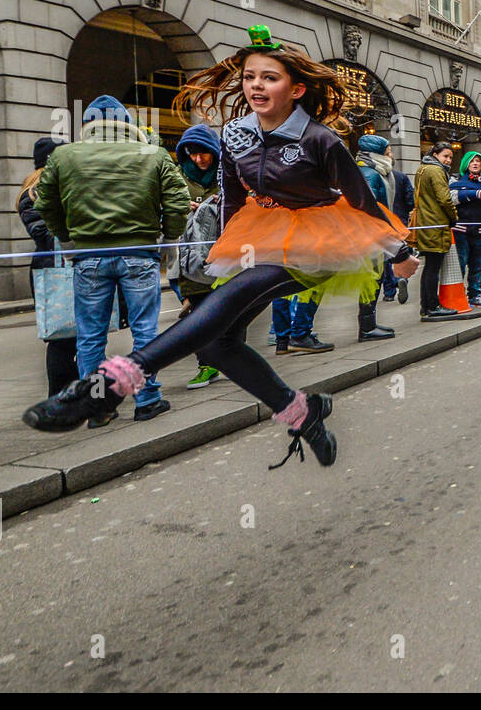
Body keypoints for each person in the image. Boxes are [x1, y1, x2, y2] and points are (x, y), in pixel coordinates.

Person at [23, 26, 418, 470]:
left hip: (319, 236)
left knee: (228, 300)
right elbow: (231, 198)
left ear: (297, 88)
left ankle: (109, 384)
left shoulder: (318, 139)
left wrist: (398, 255)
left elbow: (363, 200)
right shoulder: (234, 135)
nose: (256, 86)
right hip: (261, 232)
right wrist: (223, 252)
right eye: (250, 77)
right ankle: (302, 413)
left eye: (270, 78)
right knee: (216, 345)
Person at [33, 95, 188, 425]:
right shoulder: (152, 154)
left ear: (87, 125)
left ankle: (99, 407)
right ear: (127, 125)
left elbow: (44, 203)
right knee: (145, 332)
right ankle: (148, 400)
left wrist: (68, 237)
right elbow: (178, 200)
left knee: (90, 336)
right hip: (139, 254)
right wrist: (167, 237)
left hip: (89, 257)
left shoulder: (64, 156)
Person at [18, 136, 78, 397]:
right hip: (54, 269)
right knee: (61, 337)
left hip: (58, 266)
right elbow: (45, 234)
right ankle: (59, 395)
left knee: (74, 337)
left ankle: (74, 391)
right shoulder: (34, 194)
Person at [173, 123, 226, 388]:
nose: (198, 159)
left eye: (204, 152)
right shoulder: (178, 177)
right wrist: (181, 207)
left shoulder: (226, 175)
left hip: (225, 255)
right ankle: (206, 364)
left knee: (230, 311)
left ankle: (229, 358)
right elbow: (164, 210)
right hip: (191, 259)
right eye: (192, 153)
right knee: (199, 314)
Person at [353, 133, 400, 337]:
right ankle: (366, 327)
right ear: (378, 153)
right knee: (371, 279)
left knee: (376, 278)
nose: (390, 155)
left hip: (378, 232)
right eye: (388, 152)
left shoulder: (377, 170)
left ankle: (369, 323)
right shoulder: (369, 173)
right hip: (371, 234)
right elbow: (367, 204)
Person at [415, 141, 459, 319]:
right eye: (445, 156)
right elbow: (445, 199)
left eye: (450, 157)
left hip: (425, 221)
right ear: (435, 155)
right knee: (434, 267)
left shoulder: (422, 169)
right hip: (436, 223)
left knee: (429, 267)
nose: (448, 160)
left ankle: (426, 305)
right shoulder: (436, 171)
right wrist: (454, 217)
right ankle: (433, 306)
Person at [449, 150, 481, 306]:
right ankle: (459, 296)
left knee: (478, 265)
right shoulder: (455, 181)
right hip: (462, 230)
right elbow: (450, 199)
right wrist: (472, 194)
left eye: (478, 161)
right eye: (472, 161)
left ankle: (474, 296)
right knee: (461, 265)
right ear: (466, 164)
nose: (475, 163)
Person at [383, 153, 415, 305]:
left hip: (380, 222)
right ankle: (400, 277)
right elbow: (411, 201)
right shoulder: (401, 177)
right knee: (399, 253)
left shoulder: (371, 176)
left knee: (384, 257)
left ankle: (389, 291)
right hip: (399, 221)